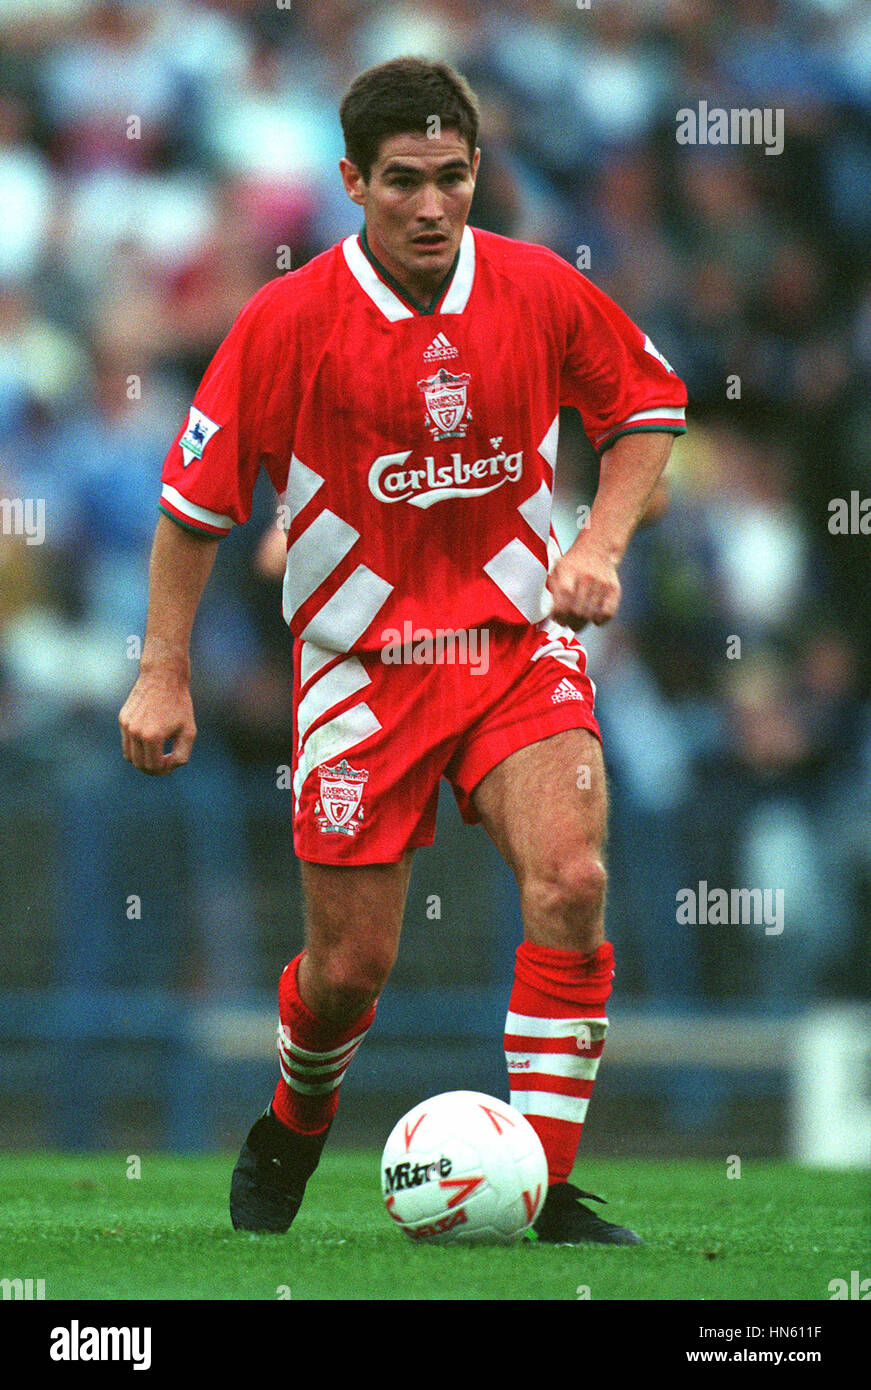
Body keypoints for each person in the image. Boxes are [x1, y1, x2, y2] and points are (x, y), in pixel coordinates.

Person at [119, 57, 687, 1244]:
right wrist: (161, 667)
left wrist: (600, 544)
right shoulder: (283, 321)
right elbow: (193, 504)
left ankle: (543, 1186)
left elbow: (644, 408)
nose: (430, 206)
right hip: (358, 666)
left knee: (573, 880)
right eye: (401, 183)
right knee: (348, 971)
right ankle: (296, 1112)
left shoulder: (538, 288)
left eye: (449, 177)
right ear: (350, 183)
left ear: (477, 170)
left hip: (514, 640)